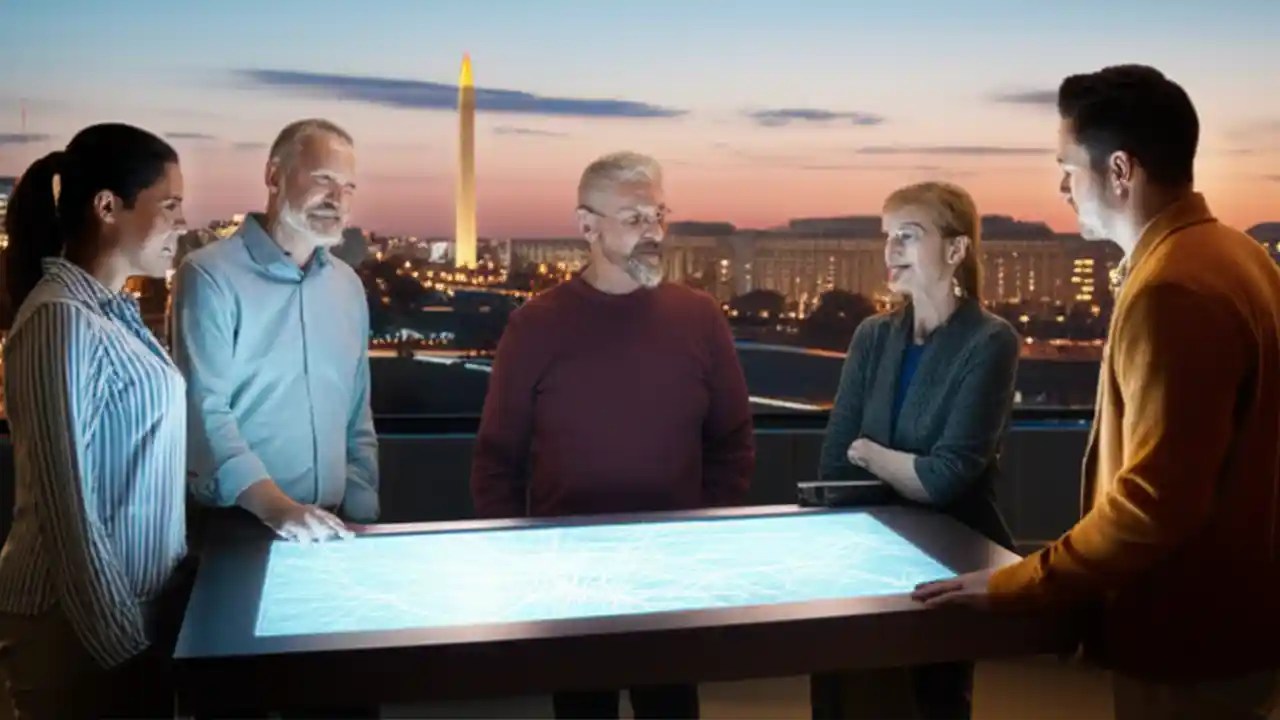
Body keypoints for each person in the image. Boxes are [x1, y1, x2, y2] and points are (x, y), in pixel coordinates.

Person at [914, 65, 1280, 720]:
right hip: (1244, 618)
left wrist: (1018, 585)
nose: (1060, 185)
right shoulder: (1240, 255)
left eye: (1067, 166)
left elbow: (1154, 504)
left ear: (1119, 171)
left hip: (1185, 635)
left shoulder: (1173, 288)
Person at [471, 151, 755, 719]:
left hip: (673, 573)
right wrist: (518, 563)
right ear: (586, 226)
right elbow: (497, 459)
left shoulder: (699, 318)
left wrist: (702, 537)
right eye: (633, 219)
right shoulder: (535, 325)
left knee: (672, 709)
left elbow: (733, 440)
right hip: (568, 577)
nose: (653, 233)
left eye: (658, 216)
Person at [0, 123, 193, 718]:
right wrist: (126, 654)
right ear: (108, 207)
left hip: (129, 620)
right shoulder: (61, 320)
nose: (182, 224)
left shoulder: (111, 313)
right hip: (77, 636)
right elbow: (68, 509)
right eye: (170, 205)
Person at [812, 181, 1019, 719]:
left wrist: (873, 455)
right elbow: (837, 458)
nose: (891, 251)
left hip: (949, 561)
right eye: (887, 237)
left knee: (933, 702)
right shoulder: (872, 336)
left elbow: (946, 479)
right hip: (864, 555)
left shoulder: (991, 341)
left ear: (956, 250)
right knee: (844, 697)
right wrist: (881, 463)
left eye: (908, 235)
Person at [172, 118, 378, 545]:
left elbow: (356, 412)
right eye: (323, 179)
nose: (338, 199)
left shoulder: (347, 287)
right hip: (241, 529)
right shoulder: (211, 275)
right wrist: (279, 510)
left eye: (349, 187)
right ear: (273, 176)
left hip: (335, 530)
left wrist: (364, 506)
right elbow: (204, 412)